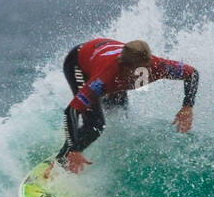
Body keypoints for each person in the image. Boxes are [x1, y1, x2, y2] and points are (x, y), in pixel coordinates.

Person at [54, 38, 199, 173]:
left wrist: (187, 106)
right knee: (95, 124)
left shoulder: (159, 66)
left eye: (143, 69)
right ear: (125, 66)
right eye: (134, 72)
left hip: (102, 57)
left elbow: (192, 74)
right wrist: (74, 149)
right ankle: (60, 163)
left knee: (118, 113)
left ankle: (75, 143)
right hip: (79, 63)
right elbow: (72, 110)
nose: (140, 75)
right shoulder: (105, 77)